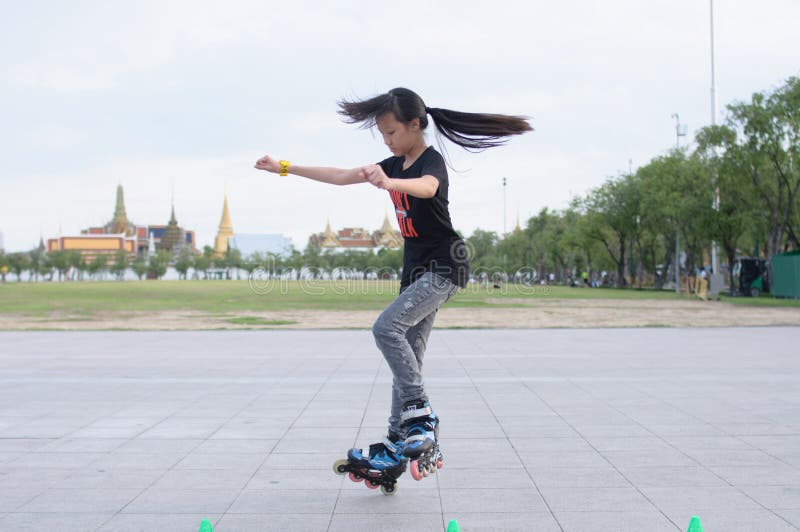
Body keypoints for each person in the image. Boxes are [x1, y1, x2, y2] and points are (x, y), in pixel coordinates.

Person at [255, 87, 532, 481]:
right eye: (383, 135)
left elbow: (428, 188)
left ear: (414, 125)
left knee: (386, 328)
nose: (387, 141)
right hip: (416, 271)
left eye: (391, 133)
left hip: (444, 267)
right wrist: (284, 167)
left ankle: (421, 417)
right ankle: (396, 443)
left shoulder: (430, 162)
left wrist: (390, 183)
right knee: (408, 360)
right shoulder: (393, 164)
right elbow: (339, 176)